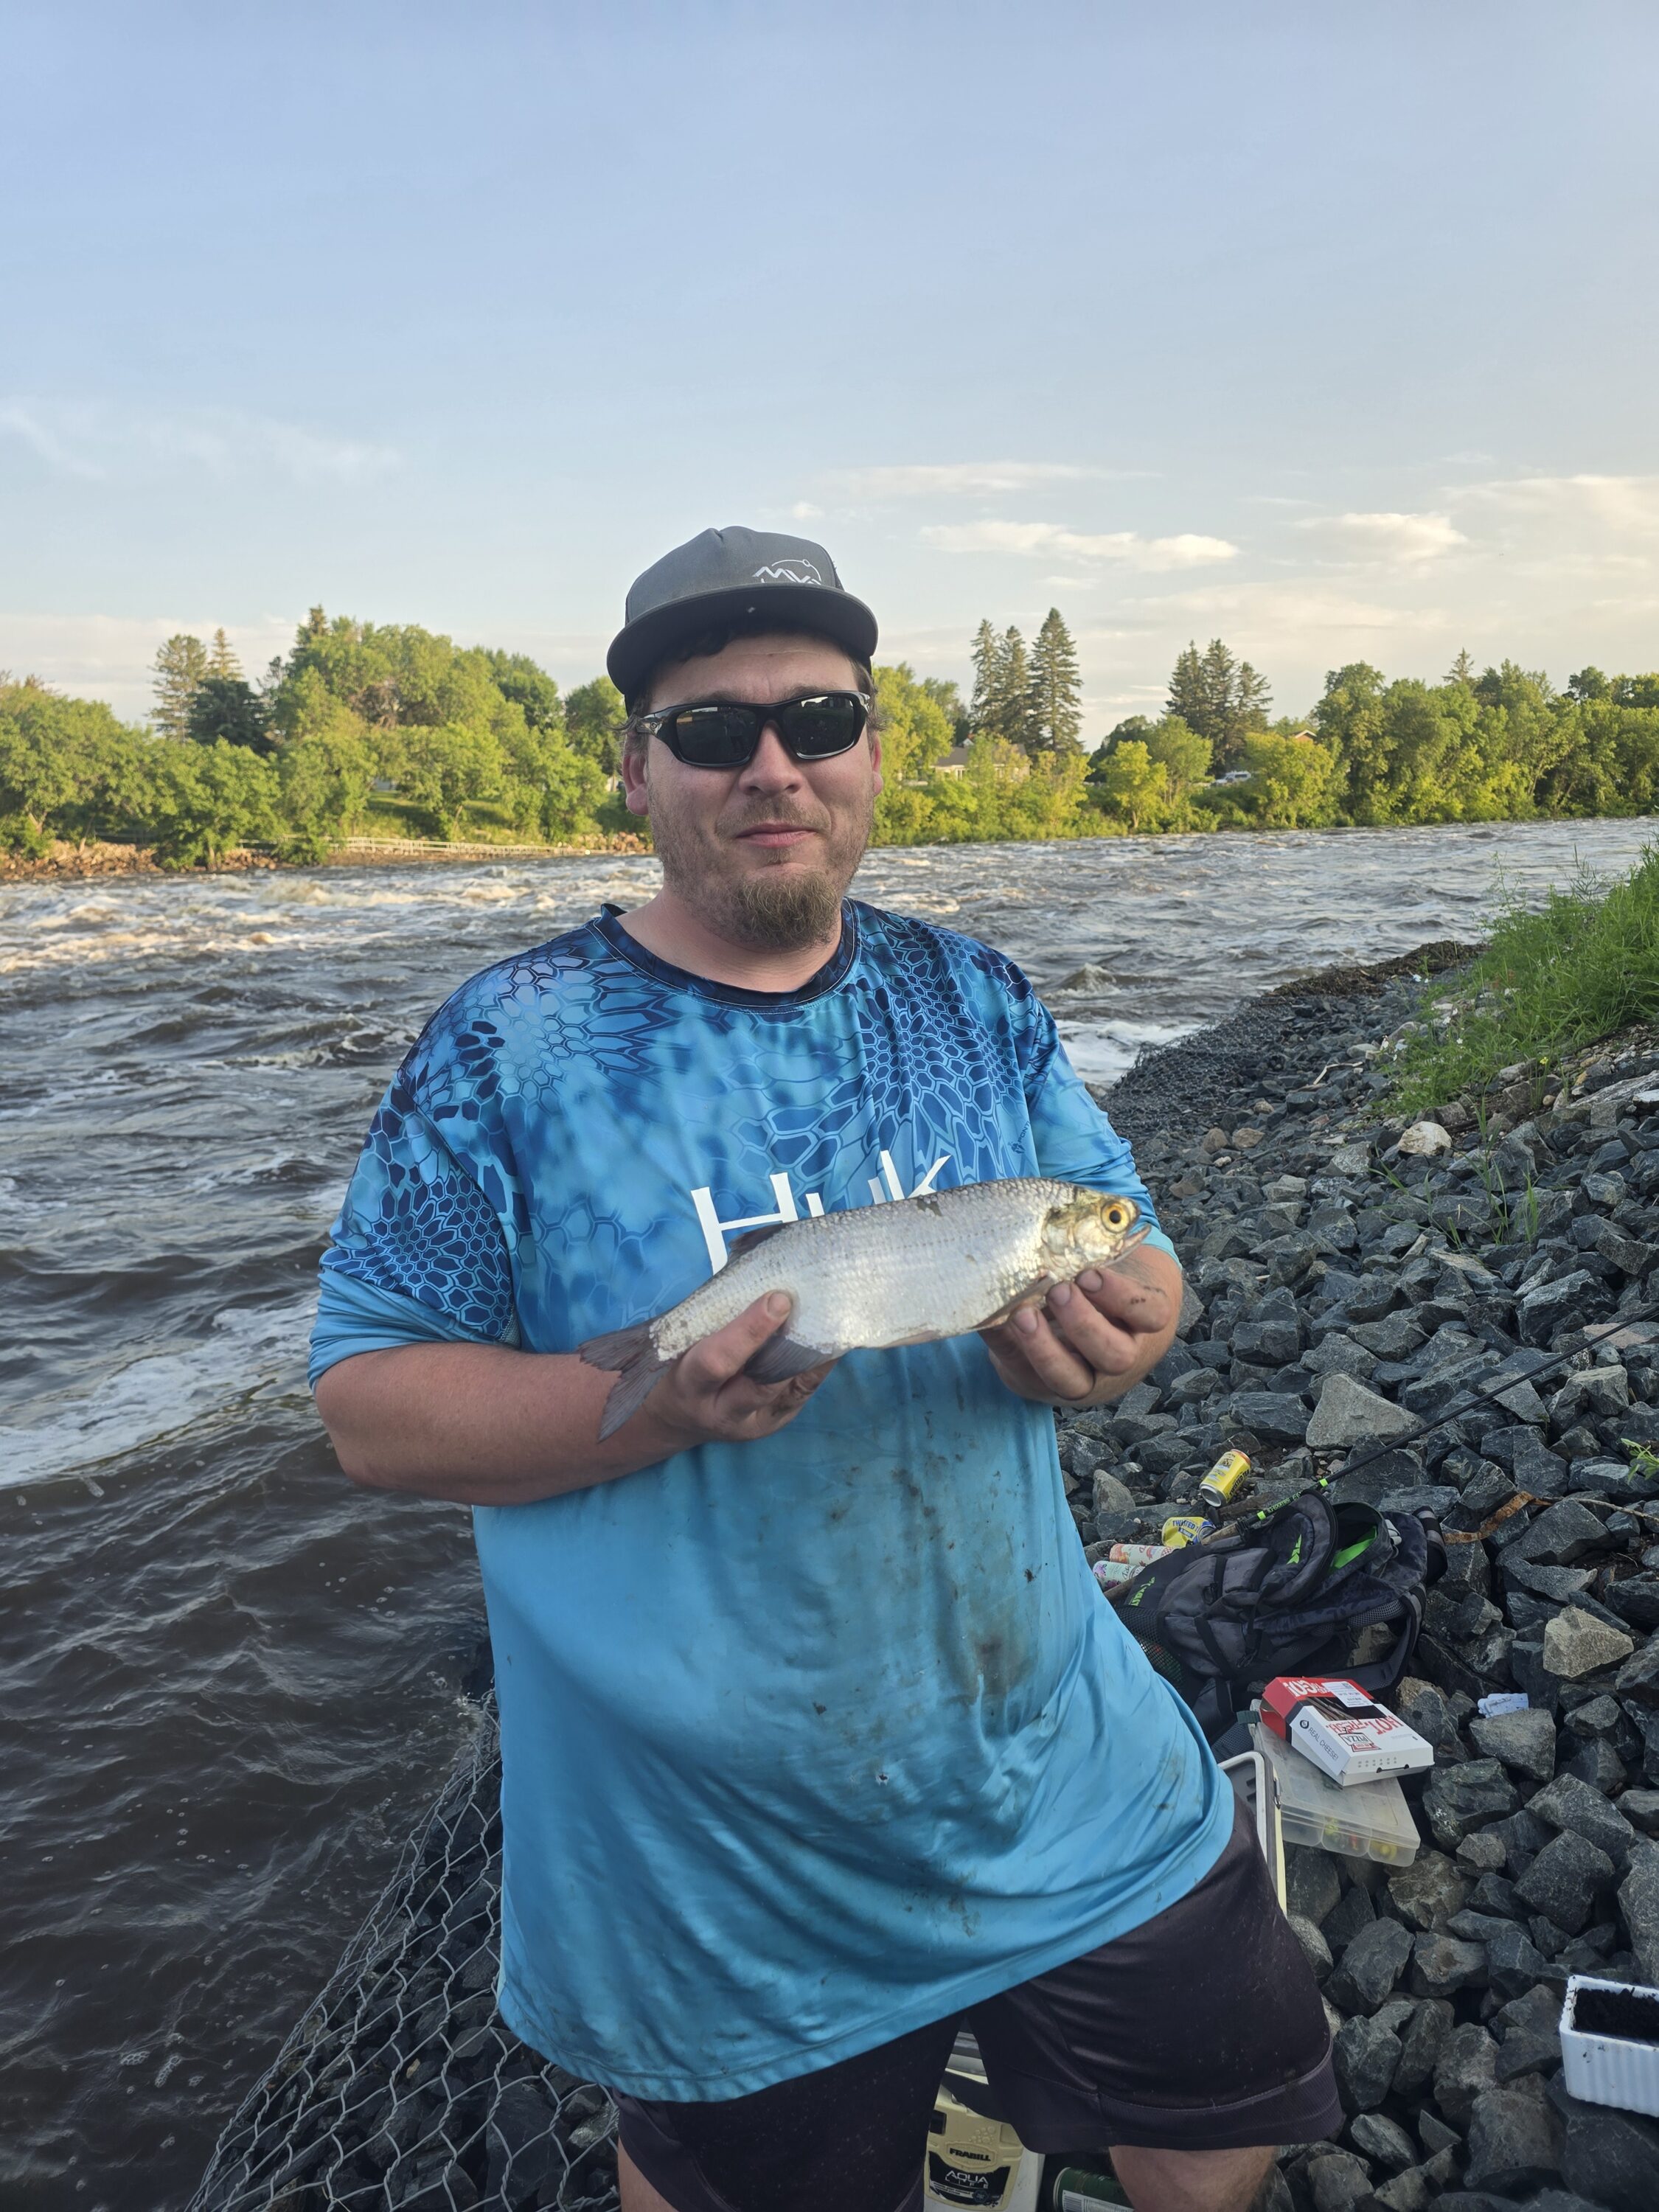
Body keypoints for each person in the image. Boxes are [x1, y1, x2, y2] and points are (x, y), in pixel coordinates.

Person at [310, 527, 1339, 2212]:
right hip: (712, 1864)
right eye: (713, 730)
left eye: (820, 719)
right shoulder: (507, 1049)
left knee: (1228, 2104)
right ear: (637, 771)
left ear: (873, 752)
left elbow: (1133, 1243)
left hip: (1057, 1760)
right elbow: (364, 1413)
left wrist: (1135, 1324)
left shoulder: (973, 995)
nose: (772, 764)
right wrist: (641, 1411)